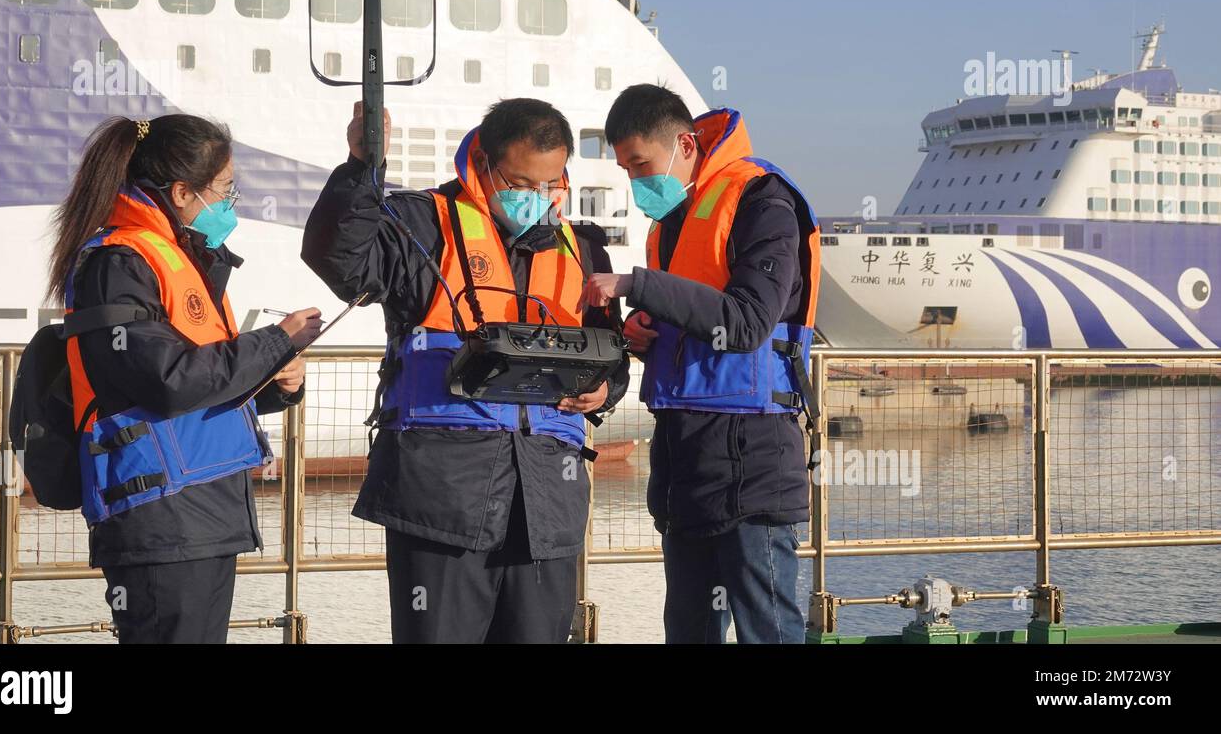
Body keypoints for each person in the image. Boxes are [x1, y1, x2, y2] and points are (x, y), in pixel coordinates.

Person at [301, 97, 631, 643]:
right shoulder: (419, 223)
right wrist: (362, 168)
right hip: (441, 501)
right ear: (483, 165)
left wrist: (605, 388)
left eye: (553, 184)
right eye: (523, 183)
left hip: (547, 504)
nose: (540, 198)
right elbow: (336, 258)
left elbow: (611, 352)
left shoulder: (583, 247)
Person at [47, 114, 323, 643]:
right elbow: (165, 381)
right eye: (224, 189)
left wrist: (277, 381)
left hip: (200, 508)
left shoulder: (183, 259)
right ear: (181, 192)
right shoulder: (118, 263)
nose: (229, 202)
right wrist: (274, 342)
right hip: (160, 515)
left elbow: (202, 384)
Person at [581, 84, 820, 644]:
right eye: (626, 169)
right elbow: (694, 317)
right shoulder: (672, 224)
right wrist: (648, 329)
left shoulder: (764, 201)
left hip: (753, 453)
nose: (637, 182)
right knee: (688, 627)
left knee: (768, 627)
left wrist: (638, 285)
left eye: (641, 165)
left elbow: (746, 323)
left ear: (685, 144)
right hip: (684, 454)